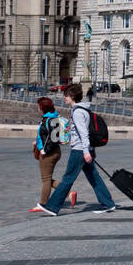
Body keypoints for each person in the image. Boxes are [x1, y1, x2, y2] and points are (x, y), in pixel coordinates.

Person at [38, 83, 117, 215]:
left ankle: (52, 206)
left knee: (68, 178)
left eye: (66, 96)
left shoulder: (78, 112)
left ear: (72, 96)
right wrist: (90, 150)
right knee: (94, 178)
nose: (64, 98)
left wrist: (86, 151)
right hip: (85, 149)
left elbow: (83, 133)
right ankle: (108, 203)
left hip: (80, 150)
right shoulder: (83, 110)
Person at [29, 96, 73, 212]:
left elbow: (53, 138)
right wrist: (38, 142)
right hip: (54, 151)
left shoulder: (50, 120)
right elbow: (47, 136)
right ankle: (69, 193)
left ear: (42, 107)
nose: (37, 108)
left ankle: (43, 204)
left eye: (39, 106)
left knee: (46, 180)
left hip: (50, 153)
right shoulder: (50, 118)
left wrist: (44, 150)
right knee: (47, 178)